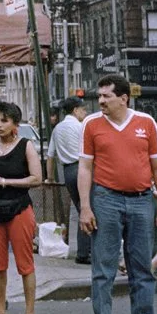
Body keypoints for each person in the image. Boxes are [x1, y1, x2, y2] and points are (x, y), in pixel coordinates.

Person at [79, 73, 157, 314]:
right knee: (103, 264)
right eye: (99, 96)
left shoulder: (147, 123)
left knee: (142, 265)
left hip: (142, 199)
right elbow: (85, 167)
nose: (101, 101)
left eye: (107, 96)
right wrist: (86, 207)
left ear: (123, 98)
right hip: (106, 199)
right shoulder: (91, 124)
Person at [0, 101, 42, 314]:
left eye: (4, 120)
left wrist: (6, 182)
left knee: (25, 266)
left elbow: (36, 178)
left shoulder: (25, 146)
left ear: (15, 124)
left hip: (19, 210)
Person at [47, 96, 92, 264]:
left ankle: (84, 251)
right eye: (83, 109)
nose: (85, 112)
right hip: (83, 169)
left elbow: (50, 156)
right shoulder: (81, 127)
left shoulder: (57, 129)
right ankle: (84, 253)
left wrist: (50, 178)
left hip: (67, 172)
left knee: (82, 209)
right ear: (75, 110)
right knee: (88, 210)